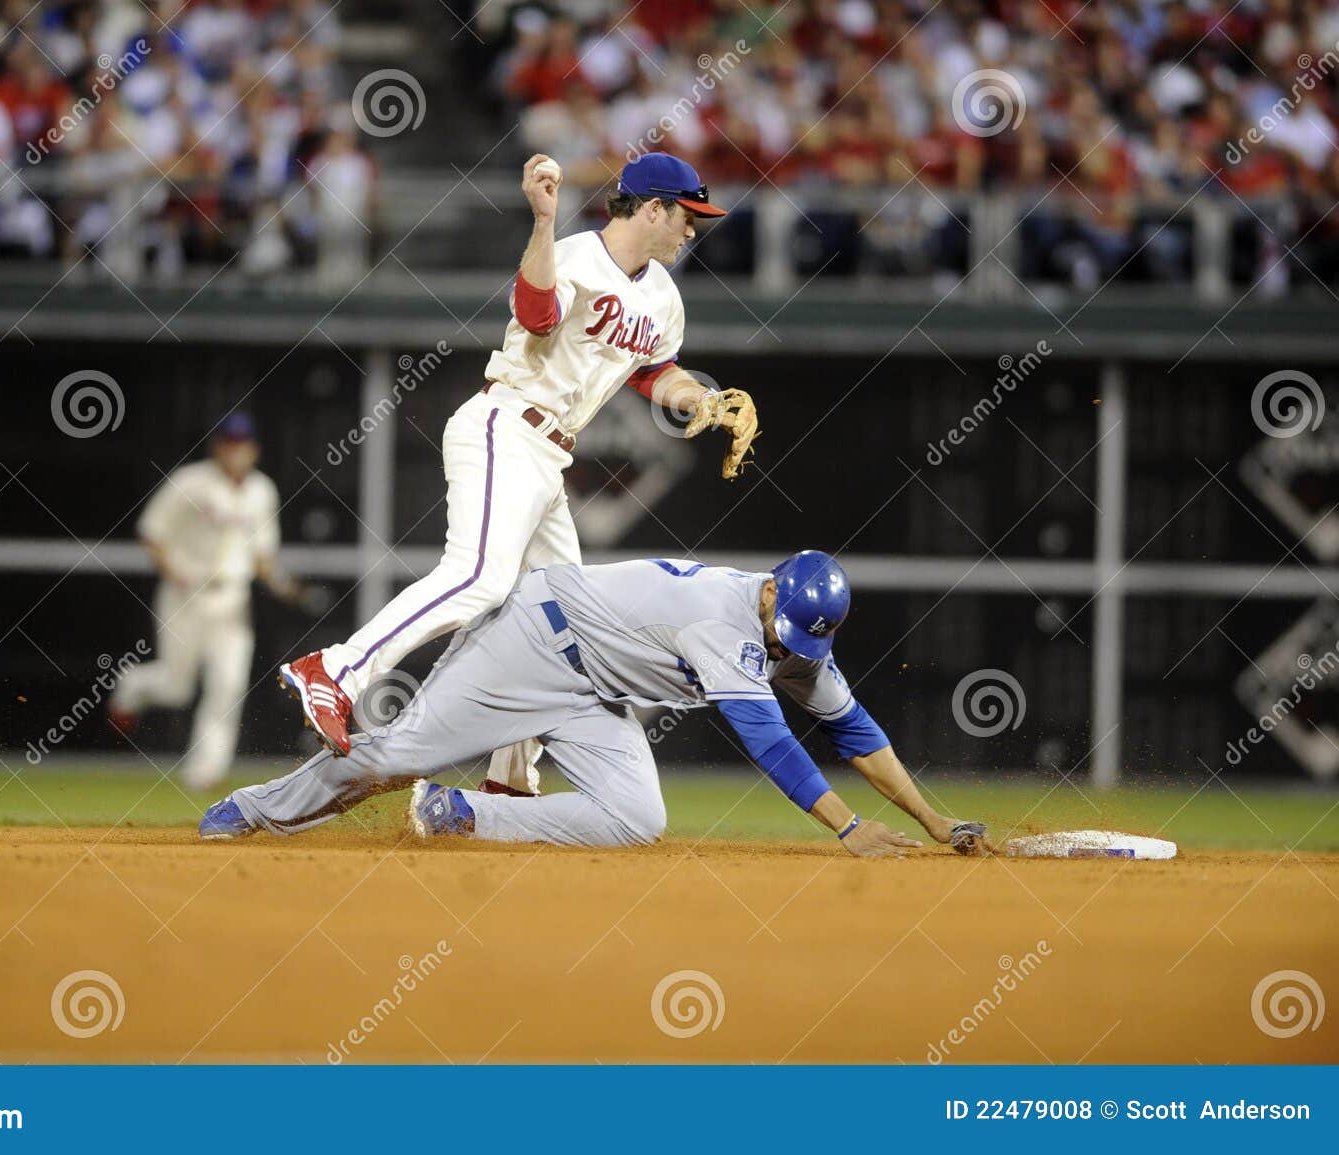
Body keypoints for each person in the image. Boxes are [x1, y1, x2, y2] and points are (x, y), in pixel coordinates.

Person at [279, 151, 759, 802]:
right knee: (480, 577)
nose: (692, 229)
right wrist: (542, 220)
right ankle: (334, 670)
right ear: (652, 209)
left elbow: (654, 372)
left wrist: (696, 397)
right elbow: (536, 315)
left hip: (552, 456)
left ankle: (509, 779)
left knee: (563, 626)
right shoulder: (575, 255)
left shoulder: (665, 299)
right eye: (686, 215)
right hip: (506, 423)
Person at [204, 551, 988, 856]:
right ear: (775, 586)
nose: (789, 652)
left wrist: (931, 817)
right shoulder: (721, 614)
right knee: (399, 751)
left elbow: (854, 729)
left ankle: (459, 814)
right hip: (532, 641)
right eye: (784, 633)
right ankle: (252, 809)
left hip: (592, 691)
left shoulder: (794, 641)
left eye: (801, 646)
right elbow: (773, 743)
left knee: (637, 819)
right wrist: (848, 826)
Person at [110, 412, 304, 790]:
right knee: (176, 686)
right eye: (230, 443)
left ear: (254, 450)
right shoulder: (191, 481)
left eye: (243, 444)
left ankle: (204, 775)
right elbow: (152, 531)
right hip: (185, 594)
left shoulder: (261, 491)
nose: (236, 451)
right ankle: (131, 687)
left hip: (232, 598)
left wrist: (283, 586)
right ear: (218, 447)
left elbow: (263, 556)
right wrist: (172, 569)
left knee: (228, 686)